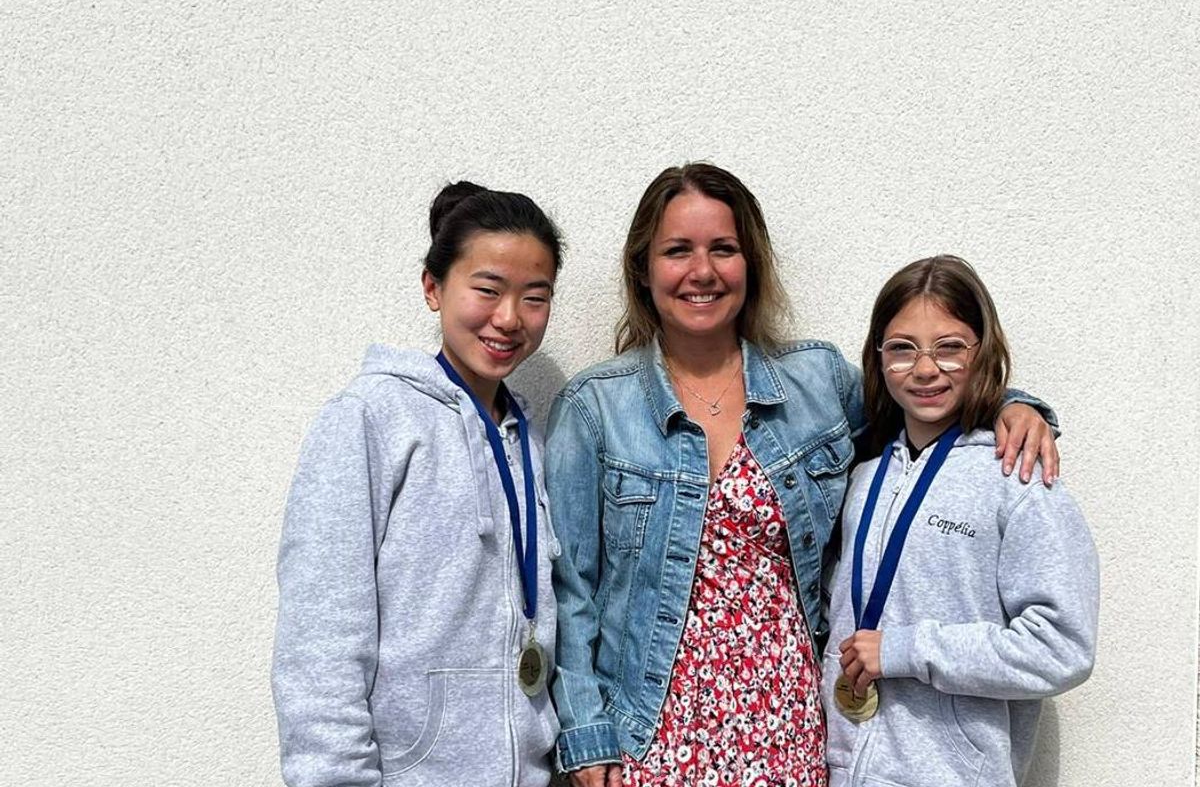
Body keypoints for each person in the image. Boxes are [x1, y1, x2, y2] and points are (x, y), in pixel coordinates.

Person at [544, 163, 1059, 787]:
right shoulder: (595, 408)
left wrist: (1012, 404)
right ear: (644, 269)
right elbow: (570, 589)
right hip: (647, 737)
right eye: (677, 250)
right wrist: (585, 733)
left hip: (789, 730)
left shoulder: (816, 384)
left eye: (723, 249)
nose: (701, 271)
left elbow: (922, 401)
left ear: (750, 263)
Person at [272, 182, 564, 787]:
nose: (508, 318)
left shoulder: (527, 441)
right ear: (433, 287)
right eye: (487, 289)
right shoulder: (370, 418)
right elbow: (321, 636)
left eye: (534, 298)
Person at [824, 256, 1097, 787]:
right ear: (878, 359)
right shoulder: (861, 478)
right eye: (902, 348)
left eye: (949, 347)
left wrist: (906, 650)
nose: (925, 369)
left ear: (982, 352)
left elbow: (1062, 647)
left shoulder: (1017, 477)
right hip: (840, 769)